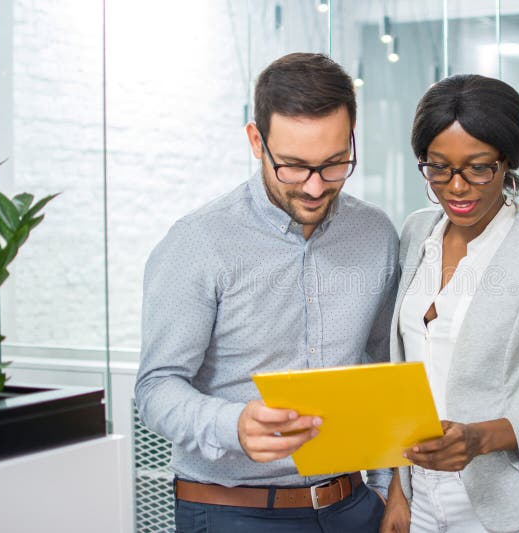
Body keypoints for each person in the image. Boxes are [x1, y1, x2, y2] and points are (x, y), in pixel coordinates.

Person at [135, 53, 399, 533]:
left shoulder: (376, 235)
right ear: (257, 141)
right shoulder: (198, 243)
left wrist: (383, 488)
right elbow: (156, 388)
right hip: (230, 511)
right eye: (295, 167)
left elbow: (383, 367)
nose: (316, 187)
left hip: (353, 505)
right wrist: (232, 425)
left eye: (336, 164)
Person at [380, 74, 519, 533]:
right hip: (419, 504)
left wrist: (482, 437)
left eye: (478, 167)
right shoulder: (415, 234)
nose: (457, 187)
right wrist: (397, 492)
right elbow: (404, 376)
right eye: (438, 167)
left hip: (512, 510)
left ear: (508, 163)